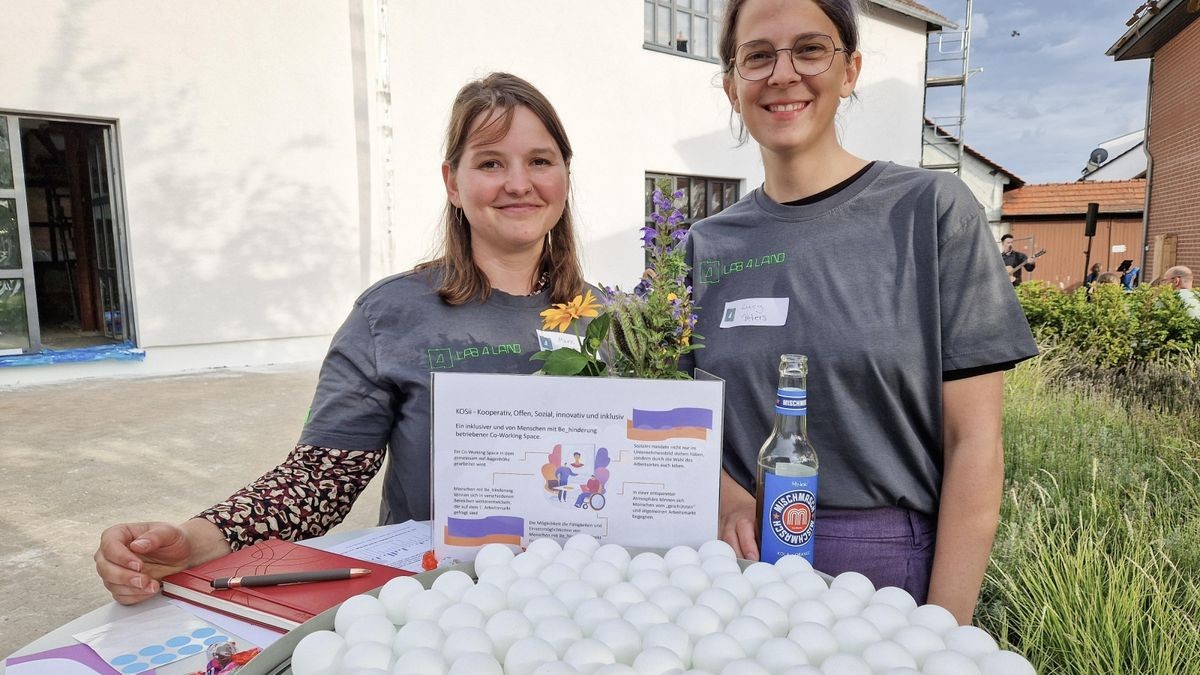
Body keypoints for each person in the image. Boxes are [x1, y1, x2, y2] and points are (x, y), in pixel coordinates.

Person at [94, 72, 588, 604]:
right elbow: (319, 480)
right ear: (452, 182)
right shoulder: (391, 314)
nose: (518, 183)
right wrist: (194, 541)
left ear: (564, 174)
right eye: (491, 162)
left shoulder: (619, 321)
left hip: (589, 591)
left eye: (540, 160)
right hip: (441, 601)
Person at [686, 0, 1038, 625]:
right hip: (730, 575)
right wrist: (726, 495)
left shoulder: (929, 212)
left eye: (810, 49)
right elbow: (683, 417)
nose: (783, 74)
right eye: (757, 56)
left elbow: (974, 441)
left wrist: (942, 633)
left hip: (882, 576)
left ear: (849, 70)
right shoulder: (704, 245)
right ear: (730, 85)